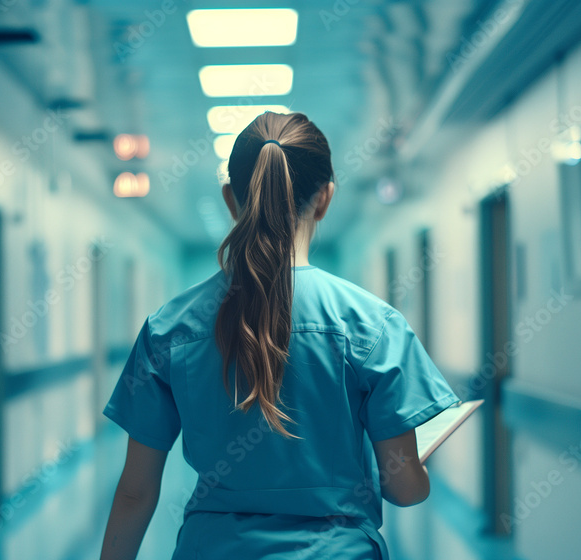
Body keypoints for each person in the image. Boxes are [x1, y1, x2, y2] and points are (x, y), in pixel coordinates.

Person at [99, 111, 458, 560]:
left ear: (231, 199)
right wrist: (413, 465)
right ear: (325, 198)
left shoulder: (169, 328)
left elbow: (136, 492)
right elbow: (405, 491)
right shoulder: (374, 326)